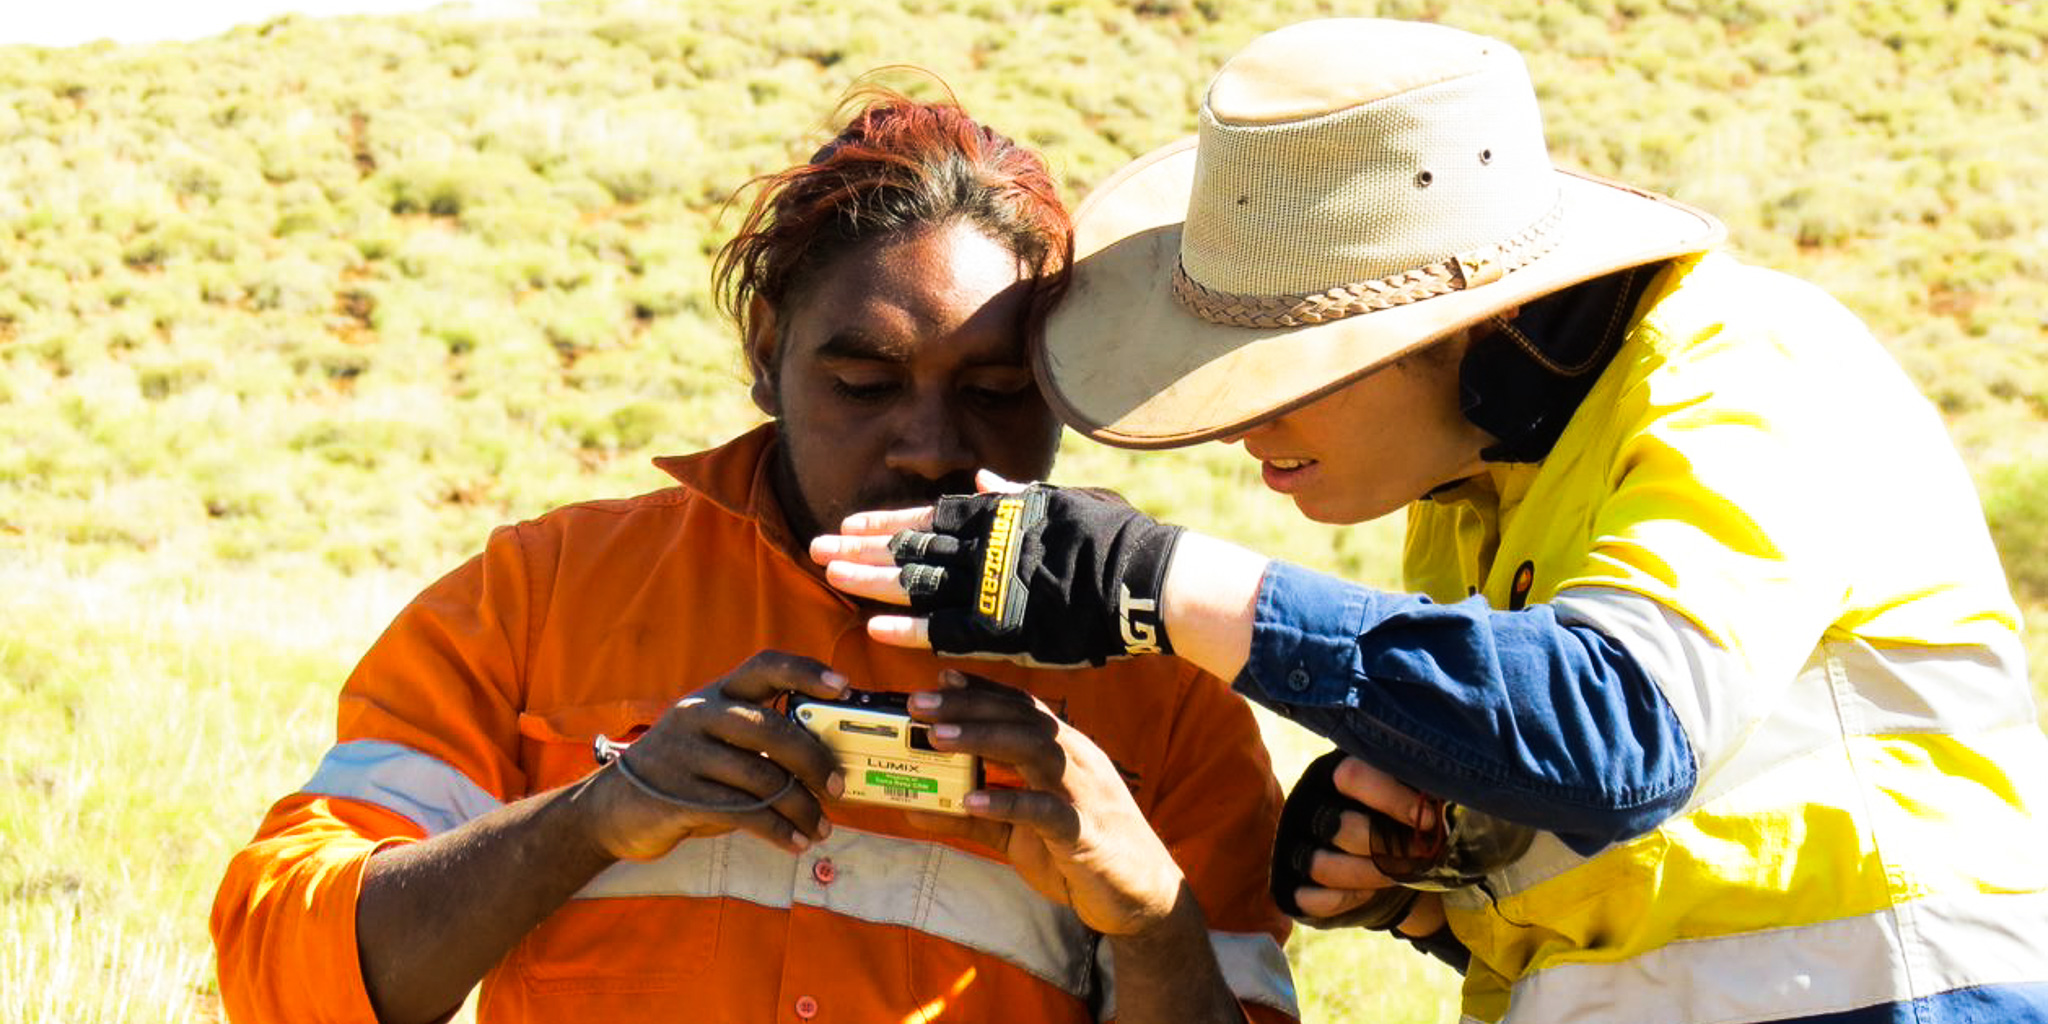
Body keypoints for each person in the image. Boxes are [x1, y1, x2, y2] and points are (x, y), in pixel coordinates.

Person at [813, 19, 2048, 1024]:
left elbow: (1615, 730)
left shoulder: (1744, 368)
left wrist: (1152, 582)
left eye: (1277, 374)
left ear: (1450, 333)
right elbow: (1634, 884)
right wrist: (1423, 876)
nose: (1244, 430)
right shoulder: (1468, 492)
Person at [209, 85, 1298, 1024]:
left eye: (997, 394)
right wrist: (594, 815)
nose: (928, 448)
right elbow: (282, 969)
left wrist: (1151, 918)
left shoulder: (1162, 693)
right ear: (766, 351)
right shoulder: (539, 592)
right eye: (864, 386)